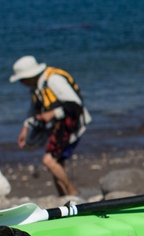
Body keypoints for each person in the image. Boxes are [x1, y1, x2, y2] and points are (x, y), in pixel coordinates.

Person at [11, 54, 91, 197]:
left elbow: (76, 106)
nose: (22, 83)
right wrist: (26, 128)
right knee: (56, 163)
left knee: (49, 160)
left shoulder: (54, 80)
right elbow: (34, 111)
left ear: (30, 76)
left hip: (71, 125)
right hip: (59, 126)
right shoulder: (36, 87)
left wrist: (53, 113)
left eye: (22, 79)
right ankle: (63, 196)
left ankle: (72, 192)